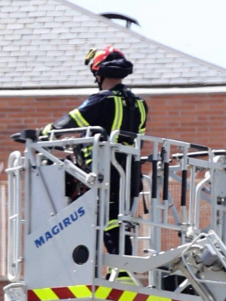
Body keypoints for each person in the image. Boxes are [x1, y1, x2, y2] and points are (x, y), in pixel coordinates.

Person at [45, 46, 148, 254]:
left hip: (104, 172)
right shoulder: (140, 104)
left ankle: (119, 270)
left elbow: (70, 121)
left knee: (109, 220)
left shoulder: (101, 100)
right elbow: (140, 139)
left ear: (98, 73)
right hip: (129, 174)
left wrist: (44, 133)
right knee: (117, 219)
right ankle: (120, 269)